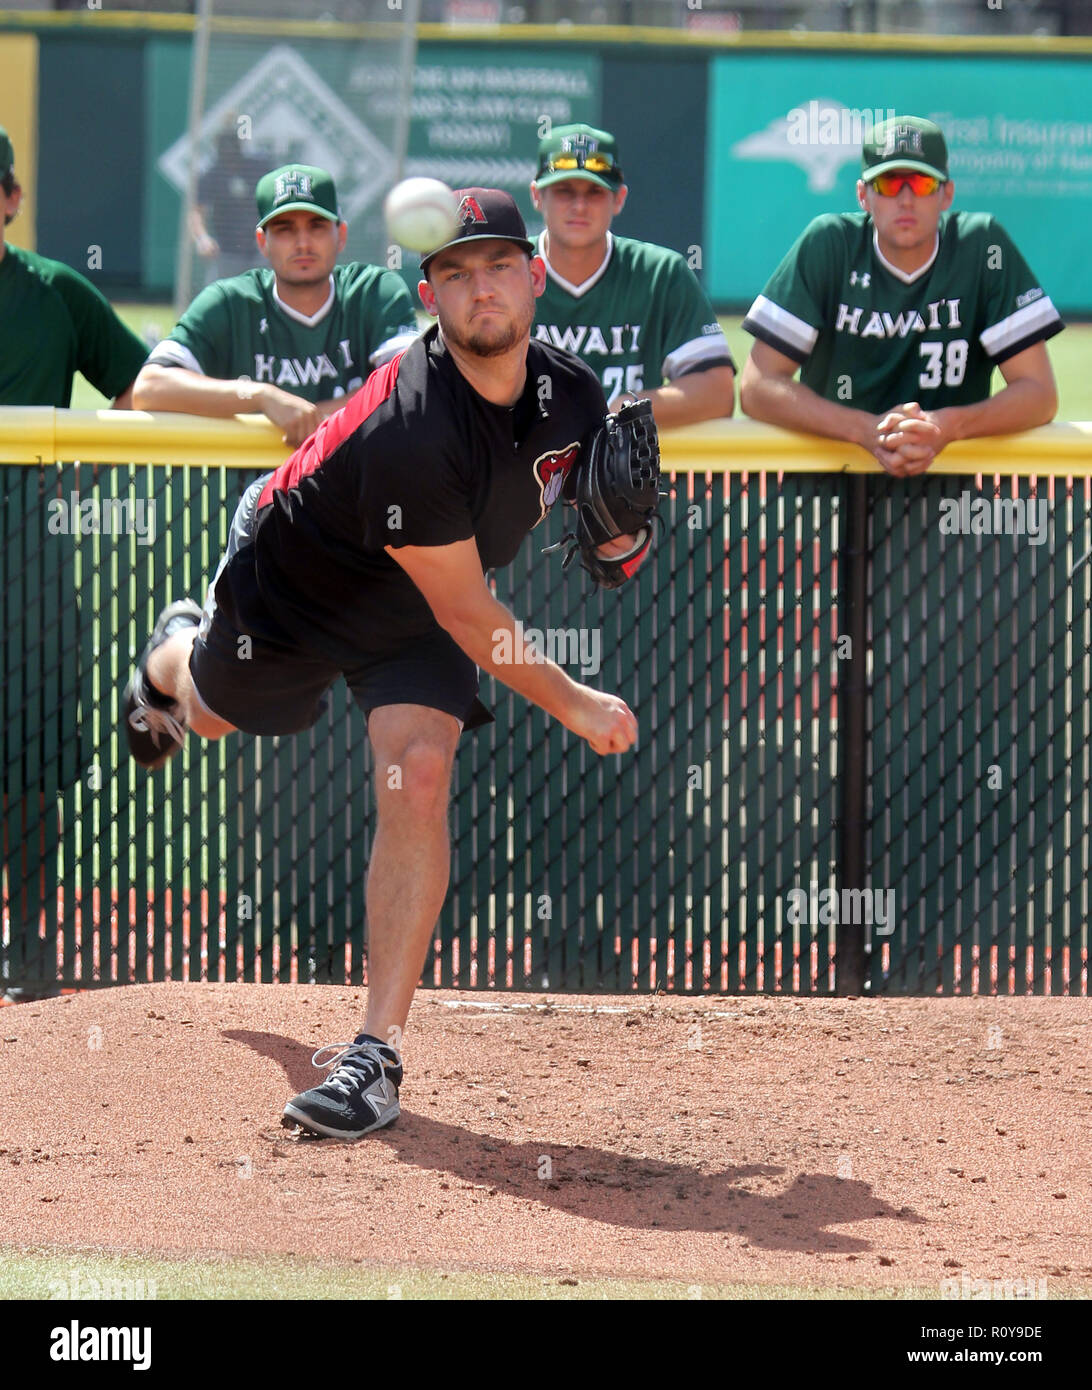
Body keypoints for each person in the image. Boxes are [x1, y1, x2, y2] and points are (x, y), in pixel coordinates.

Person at [121, 190, 647, 1138]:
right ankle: (174, 652)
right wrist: (571, 700)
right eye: (456, 273)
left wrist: (612, 538)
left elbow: (559, 498)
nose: (480, 288)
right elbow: (468, 610)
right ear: (429, 293)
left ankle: (373, 1056)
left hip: (415, 612)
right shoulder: (413, 424)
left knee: (422, 772)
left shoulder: (574, 393)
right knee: (209, 713)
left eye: (497, 266)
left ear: (535, 278)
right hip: (295, 584)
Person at [0, 123, 147, 1001]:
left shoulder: (53, 290)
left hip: (29, 571)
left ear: (10, 199)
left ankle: (31, 945)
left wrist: (90, 454)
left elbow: (140, 381)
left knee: (25, 762)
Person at [739, 116, 1064, 475]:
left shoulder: (982, 247)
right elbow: (758, 386)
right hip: (836, 486)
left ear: (947, 194)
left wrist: (944, 427)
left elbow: (1038, 394)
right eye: (889, 184)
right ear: (863, 195)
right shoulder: (829, 244)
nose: (906, 200)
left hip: (952, 490)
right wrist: (865, 430)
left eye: (922, 183)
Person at [133, 163, 419, 446]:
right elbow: (149, 388)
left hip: (354, 484)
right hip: (246, 488)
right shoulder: (229, 303)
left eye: (316, 227)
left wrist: (312, 418)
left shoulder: (373, 292)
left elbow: (411, 386)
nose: (303, 243)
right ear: (262, 241)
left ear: (341, 234)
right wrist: (260, 396)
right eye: (285, 229)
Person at [530, 123, 736, 428]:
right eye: (564, 191)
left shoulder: (659, 273)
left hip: (628, 472)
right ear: (537, 196)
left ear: (619, 198)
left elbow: (717, 393)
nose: (579, 206)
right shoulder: (508, 271)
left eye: (595, 191)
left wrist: (627, 408)